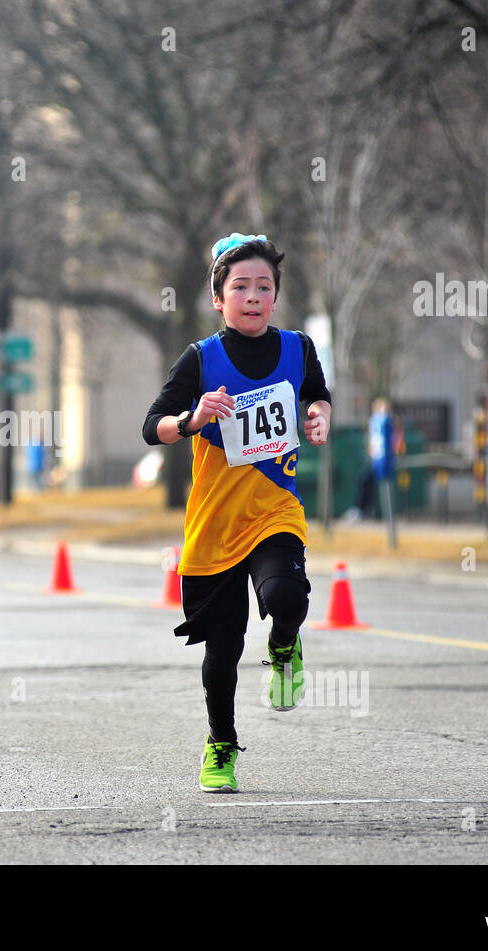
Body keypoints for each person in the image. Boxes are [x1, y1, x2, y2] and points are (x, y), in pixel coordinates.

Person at [142, 232, 331, 793]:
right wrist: (193, 418)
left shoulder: (298, 348)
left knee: (286, 598)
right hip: (216, 523)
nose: (253, 296)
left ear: (275, 296)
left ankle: (283, 646)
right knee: (222, 656)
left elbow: (316, 394)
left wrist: (318, 415)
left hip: (276, 509)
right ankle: (220, 744)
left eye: (264, 287)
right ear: (218, 298)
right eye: (240, 287)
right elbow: (152, 427)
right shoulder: (201, 359)